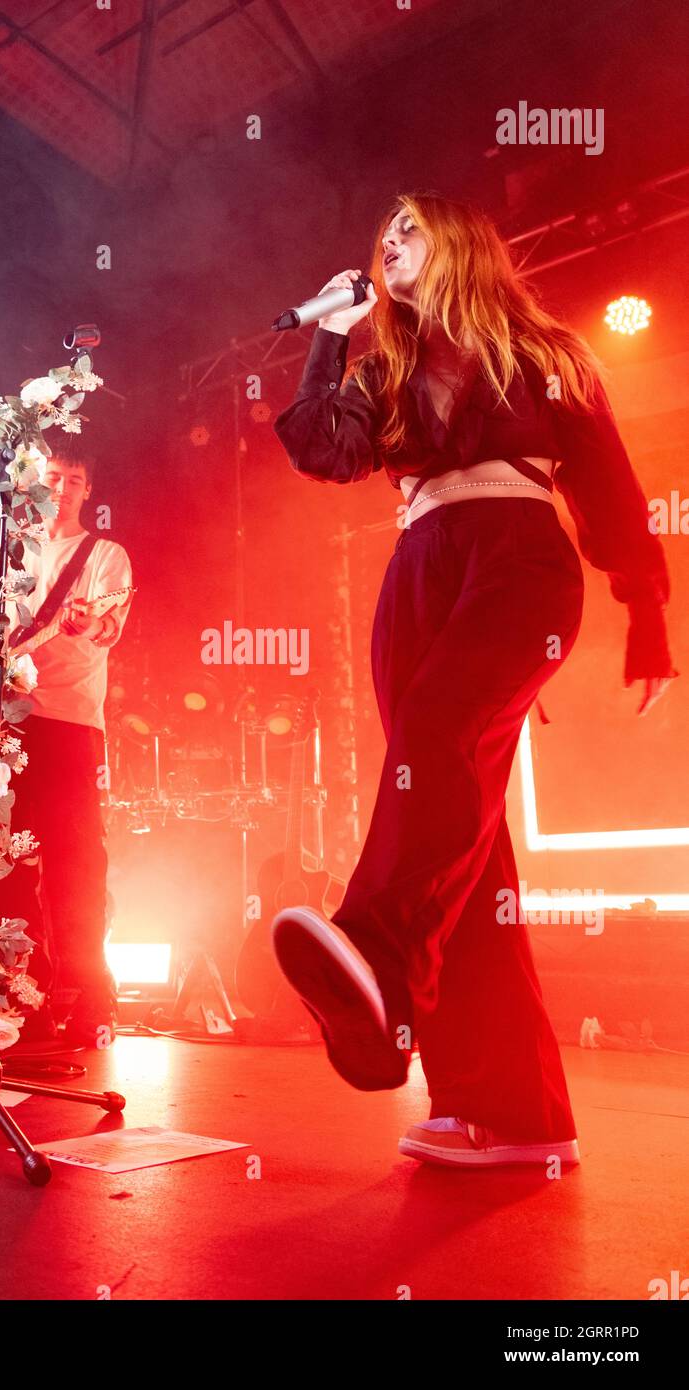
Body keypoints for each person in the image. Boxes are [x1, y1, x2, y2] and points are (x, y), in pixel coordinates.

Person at [270, 192, 678, 1167]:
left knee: (441, 737)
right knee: (473, 854)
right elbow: (320, 448)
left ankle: (376, 957)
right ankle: (511, 1114)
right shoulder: (383, 364)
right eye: (385, 234)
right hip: (419, 568)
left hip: (521, 558)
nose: (392, 243)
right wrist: (330, 335)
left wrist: (648, 609)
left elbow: (610, 481)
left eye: (410, 228)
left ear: (457, 240)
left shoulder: (547, 351)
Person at [0, 439, 133, 1046]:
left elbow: (109, 623)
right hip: (7, 725)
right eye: (52, 475)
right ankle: (9, 998)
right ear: (32, 479)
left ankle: (87, 999)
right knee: (7, 863)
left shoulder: (105, 555)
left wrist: (89, 621)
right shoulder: (7, 555)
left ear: (88, 490)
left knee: (78, 864)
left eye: (74, 479)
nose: (61, 488)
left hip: (71, 724)